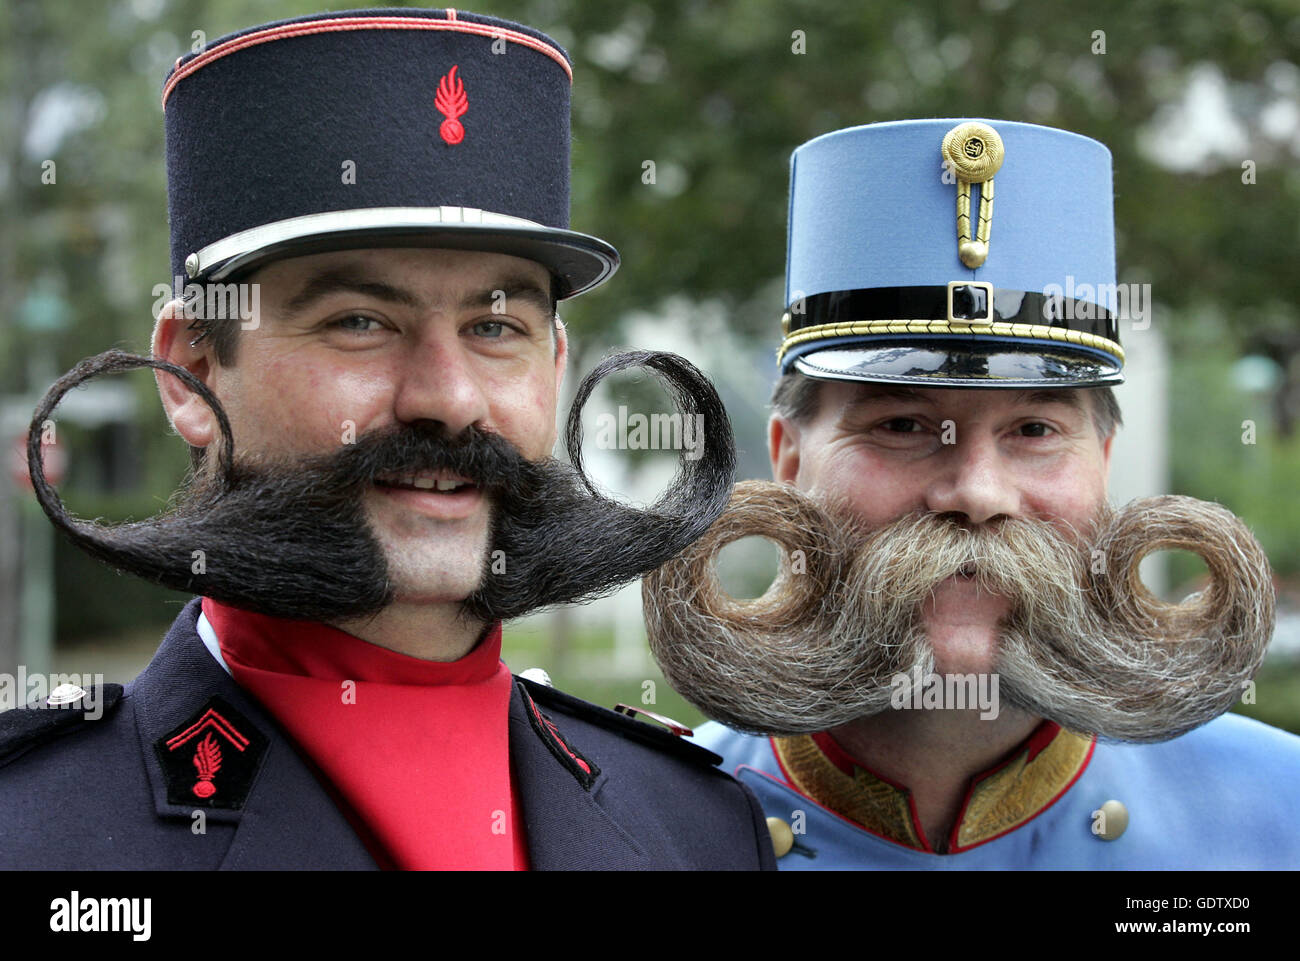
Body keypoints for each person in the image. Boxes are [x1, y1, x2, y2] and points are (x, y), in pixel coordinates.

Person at [0, 8, 774, 871]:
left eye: (495, 326)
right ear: (195, 369)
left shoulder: (699, 826)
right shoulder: (31, 832)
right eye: (360, 321)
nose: (447, 398)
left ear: (555, 366)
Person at [671, 118, 1300, 868]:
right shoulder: (645, 824)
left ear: (1102, 460)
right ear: (788, 456)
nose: (976, 491)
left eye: (1034, 430)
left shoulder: (1278, 807)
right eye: (903, 423)